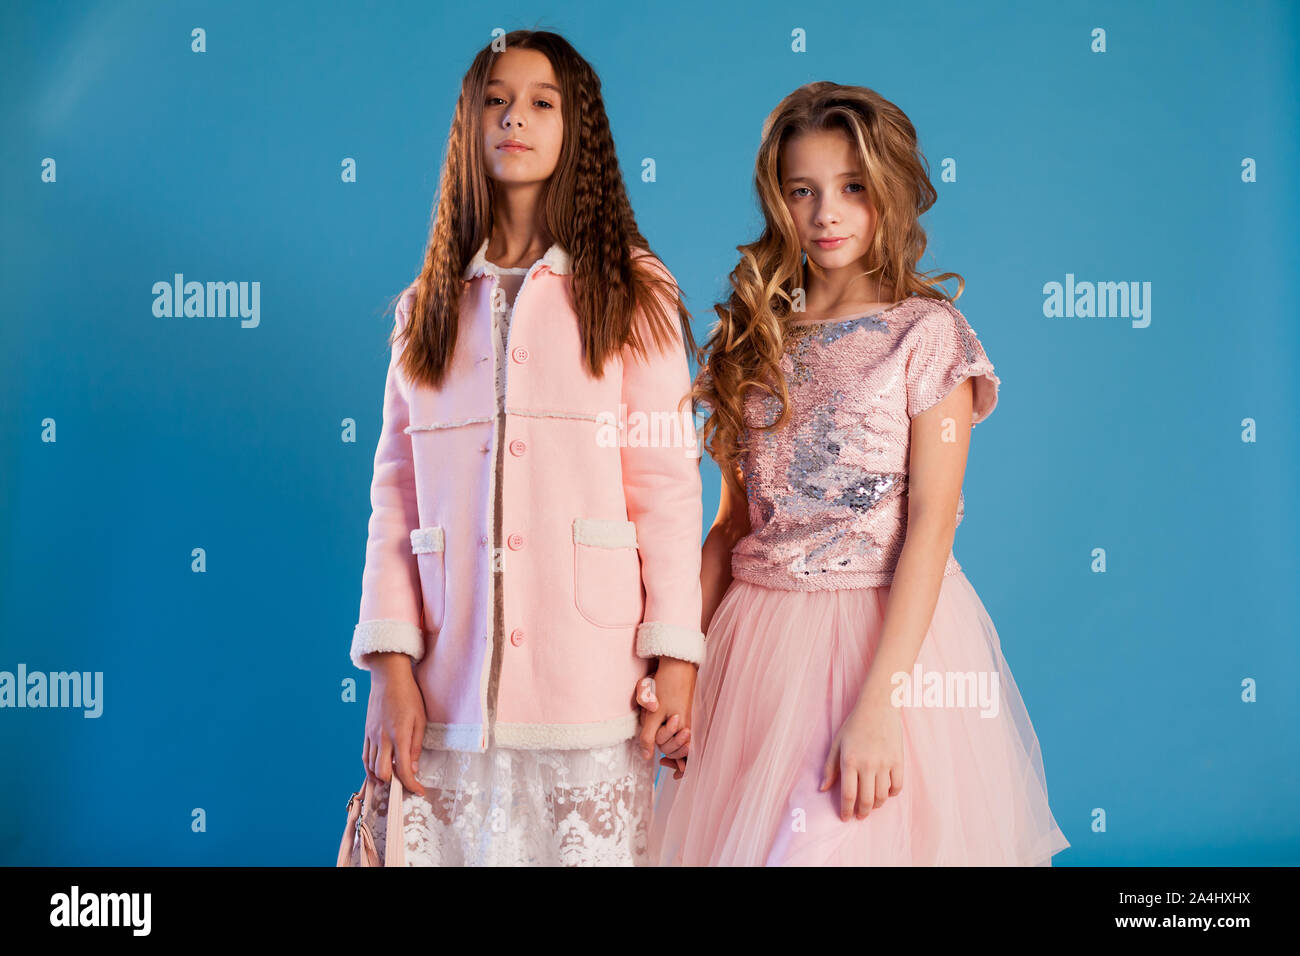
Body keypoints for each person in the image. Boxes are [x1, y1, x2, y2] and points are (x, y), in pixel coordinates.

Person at [643, 81, 1071, 866]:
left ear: (891, 193)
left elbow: (932, 525)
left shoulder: (927, 335)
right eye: (801, 191)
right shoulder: (750, 336)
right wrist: (679, 662)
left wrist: (882, 704)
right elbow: (730, 525)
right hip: (754, 648)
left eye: (851, 189)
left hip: (882, 641)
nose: (825, 214)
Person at [348, 30, 703, 866]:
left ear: (577, 129)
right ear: (470, 126)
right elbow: (395, 496)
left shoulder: (634, 291)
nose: (517, 118)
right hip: (445, 687)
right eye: (496, 101)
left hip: (591, 681)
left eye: (543, 102)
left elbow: (667, 484)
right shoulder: (425, 306)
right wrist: (389, 667)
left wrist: (675, 657)